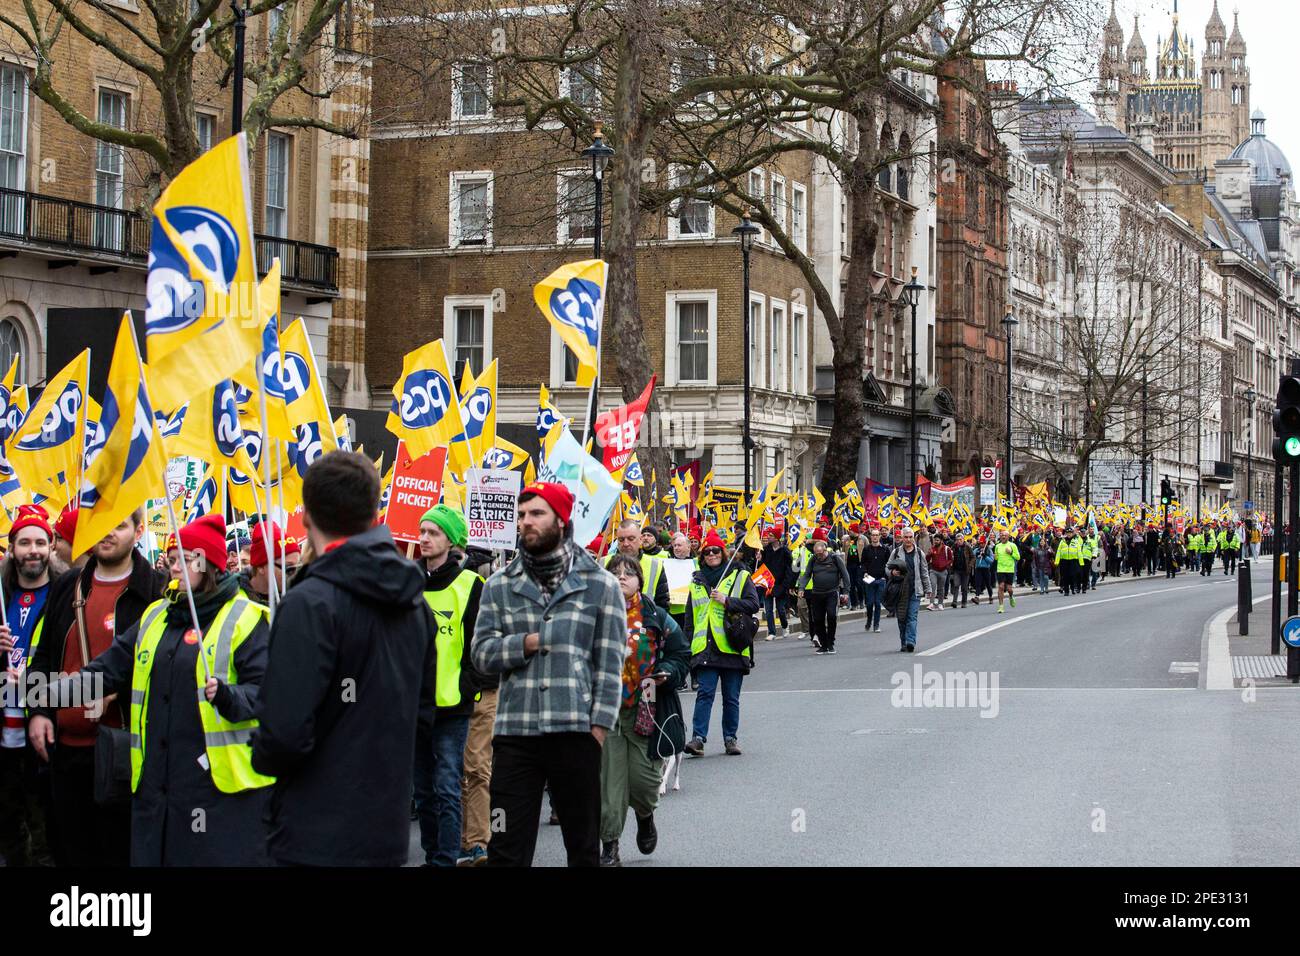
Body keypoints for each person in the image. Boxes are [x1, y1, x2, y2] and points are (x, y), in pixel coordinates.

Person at [33, 514, 273, 865]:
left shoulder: (247, 618)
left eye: (185, 559)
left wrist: (227, 695)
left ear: (208, 564)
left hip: (218, 794)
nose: (174, 567)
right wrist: (36, 693)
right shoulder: (156, 615)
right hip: (155, 789)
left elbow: (266, 696)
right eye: (172, 558)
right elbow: (104, 672)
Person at [251, 451, 437, 867]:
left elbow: (283, 733)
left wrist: (262, 753)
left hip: (312, 835)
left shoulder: (309, 604)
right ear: (375, 511)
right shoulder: (415, 605)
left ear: (306, 517)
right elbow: (422, 716)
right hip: (384, 834)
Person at [472, 481, 625, 867]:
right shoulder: (499, 586)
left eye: (536, 513)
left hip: (575, 732)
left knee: (582, 847)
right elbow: (481, 655)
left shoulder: (600, 585)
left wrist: (598, 729)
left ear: (561, 519)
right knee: (505, 846)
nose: (526, 522)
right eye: (521, 515)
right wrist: (524, 643)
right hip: (514, 735)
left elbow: (609, 665)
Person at [27, 509, 166, 867]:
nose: (108, 534)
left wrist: (116, 688)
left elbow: (168, 665)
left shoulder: (156, 589)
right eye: (102, 524)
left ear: (138, 531)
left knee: (120, 855)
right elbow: (44, 656)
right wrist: (40, 712)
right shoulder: (67, 585)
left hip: (125, 754)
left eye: (119, 525)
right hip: (66, 752)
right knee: (71, 853)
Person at [598, 555, 689, 867]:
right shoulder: (593, 614)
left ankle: (645, 815)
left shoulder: (656, 615)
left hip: (646, 707)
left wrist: (666, 671)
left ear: (639, 579)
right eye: (615, 573)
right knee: (610, 784)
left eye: (628, 573)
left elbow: (680, 652)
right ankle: (609, 847)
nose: (621, 577)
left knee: (645, 781)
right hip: (605, 711)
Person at [414, 504, 483, 867]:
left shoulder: (471, 584)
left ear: (450, 540)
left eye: (433, 533)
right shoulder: (407, 582)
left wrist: (469, 684)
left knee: (446, 787)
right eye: (422, 531)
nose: (424, 538)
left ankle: (446, 859)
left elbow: (480, 645)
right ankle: (431, 854)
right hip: (414, 706)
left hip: (452, 705)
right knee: (422, 792)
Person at [0, 506, 65, 866]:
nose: (33, 550)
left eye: (40, 541)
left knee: (46, 836)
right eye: (24, 542)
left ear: (52, 546)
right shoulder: (1, 594)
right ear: (12, 549)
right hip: (4, 737)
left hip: (44, 734)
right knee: (9, 832)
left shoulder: (65, 596)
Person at [683, 530, 760, 756]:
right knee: (704, 693)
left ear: (724, 553)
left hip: (732, 646)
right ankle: (698, 738)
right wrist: (687, 648)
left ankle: (730, 738)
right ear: (702, 555)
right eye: (707, 552)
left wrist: (727, 601)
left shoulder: (740, 575)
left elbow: (753, 605)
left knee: (731, 697)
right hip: (705, 648)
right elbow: (690, 618)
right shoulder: (696, 581)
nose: (712, 554)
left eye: (716, 550)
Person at [797, 530, 851, 654]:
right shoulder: (814, 559)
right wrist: (801, 588)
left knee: (832, 616)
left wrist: (846, 592)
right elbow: (806, 575)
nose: (819, 556)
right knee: (818, 619)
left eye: (821, 554)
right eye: (817, 554)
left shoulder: (835, 559)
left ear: (825, 550)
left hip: (832, 593)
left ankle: (830, 643)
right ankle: (823, 644)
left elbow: (845, 575)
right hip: (817, 593)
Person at [887, 526, 933, 653]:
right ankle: (903, 642)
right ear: (902, 538)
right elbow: (887, 567)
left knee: (912, 617)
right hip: (900, 591)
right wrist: (892, 572)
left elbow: (924, 572)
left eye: (910, 537)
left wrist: (928, 588)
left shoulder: (919, 553)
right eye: (905, 537)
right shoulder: (896, 552)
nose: (908, 540)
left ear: (913, 538)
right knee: (902, 618)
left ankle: (910, 642)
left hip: (915, 591)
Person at [607, 519, 670, 610]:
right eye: (621, 540)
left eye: (631, 539)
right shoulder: (603, 563)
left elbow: (663, 604)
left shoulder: (656, 565)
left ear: (640, 540)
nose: (626, 543)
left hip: (645, 620)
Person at [239, 522, 301, 604]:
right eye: (289, 568)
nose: (295, 574)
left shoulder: (299, 598)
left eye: (298, 566)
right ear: (261, 567)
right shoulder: (235, 599)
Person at [758, 528, 793, 640]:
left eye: (771, 535)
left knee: (780, 608)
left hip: (780, 584)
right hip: (768, 583)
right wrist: (758, 559)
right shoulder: (765, 550)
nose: (768, 537)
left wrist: (786, 585)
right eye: (768, 535)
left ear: (777, 537)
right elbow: (761, 566)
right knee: (768, 609)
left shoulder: (785, 551)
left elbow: (789, 569)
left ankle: (784, 626)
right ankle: (772, 632)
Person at [862, 527, 891, 630]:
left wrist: (885, 576)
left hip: (881, 579)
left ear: (879, 536)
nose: (874, 537)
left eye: (876, 535)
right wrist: (864, 572)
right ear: (870, 537)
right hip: (869, 579)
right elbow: (863, 563)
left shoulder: (885, 549)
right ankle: (869, 620)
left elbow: (888, 563)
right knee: (869, 603)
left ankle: (876, 625)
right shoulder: (866, 549)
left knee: (878, 603)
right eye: (873, 535)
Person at [994, 529, 1020, 613]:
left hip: (1009, 569)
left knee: (1009, 589)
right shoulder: (997, 546)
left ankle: (1011, 596)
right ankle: (1001, 606)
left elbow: (1018, 557)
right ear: (1000, 537)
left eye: (1005, 535)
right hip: (1000, 569)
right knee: (1001, 587)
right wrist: (995, 557)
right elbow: (996, 558)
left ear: (1008, 537)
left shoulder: (1012, 545)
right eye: (1002, 535)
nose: (1003, 536)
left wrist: (1011, 552)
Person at [927, 534, 953, 611]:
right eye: (935, 540)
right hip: (933, 571)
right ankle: (931, 603)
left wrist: (945, 565)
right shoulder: (932, 548)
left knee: (941, 588)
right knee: (932, 586)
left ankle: (940, 603)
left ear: (941, 541)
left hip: (943, 571)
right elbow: (927, 560)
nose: (936, 541)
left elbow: (950, 559)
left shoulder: (946, 549)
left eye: (937, 540)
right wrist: (929, 554)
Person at [948, 531, 973, 609]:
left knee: (964, 587)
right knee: (956, 585)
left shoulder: (967, 546)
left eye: (960, 539)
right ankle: (954, 601)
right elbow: (950, 555)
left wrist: (969, 565)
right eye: (957, 539)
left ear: (963, 539)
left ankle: (964, 602)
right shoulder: (954, 547)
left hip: (965, 570)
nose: (959, 541)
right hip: (956, 570)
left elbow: (973, 557)